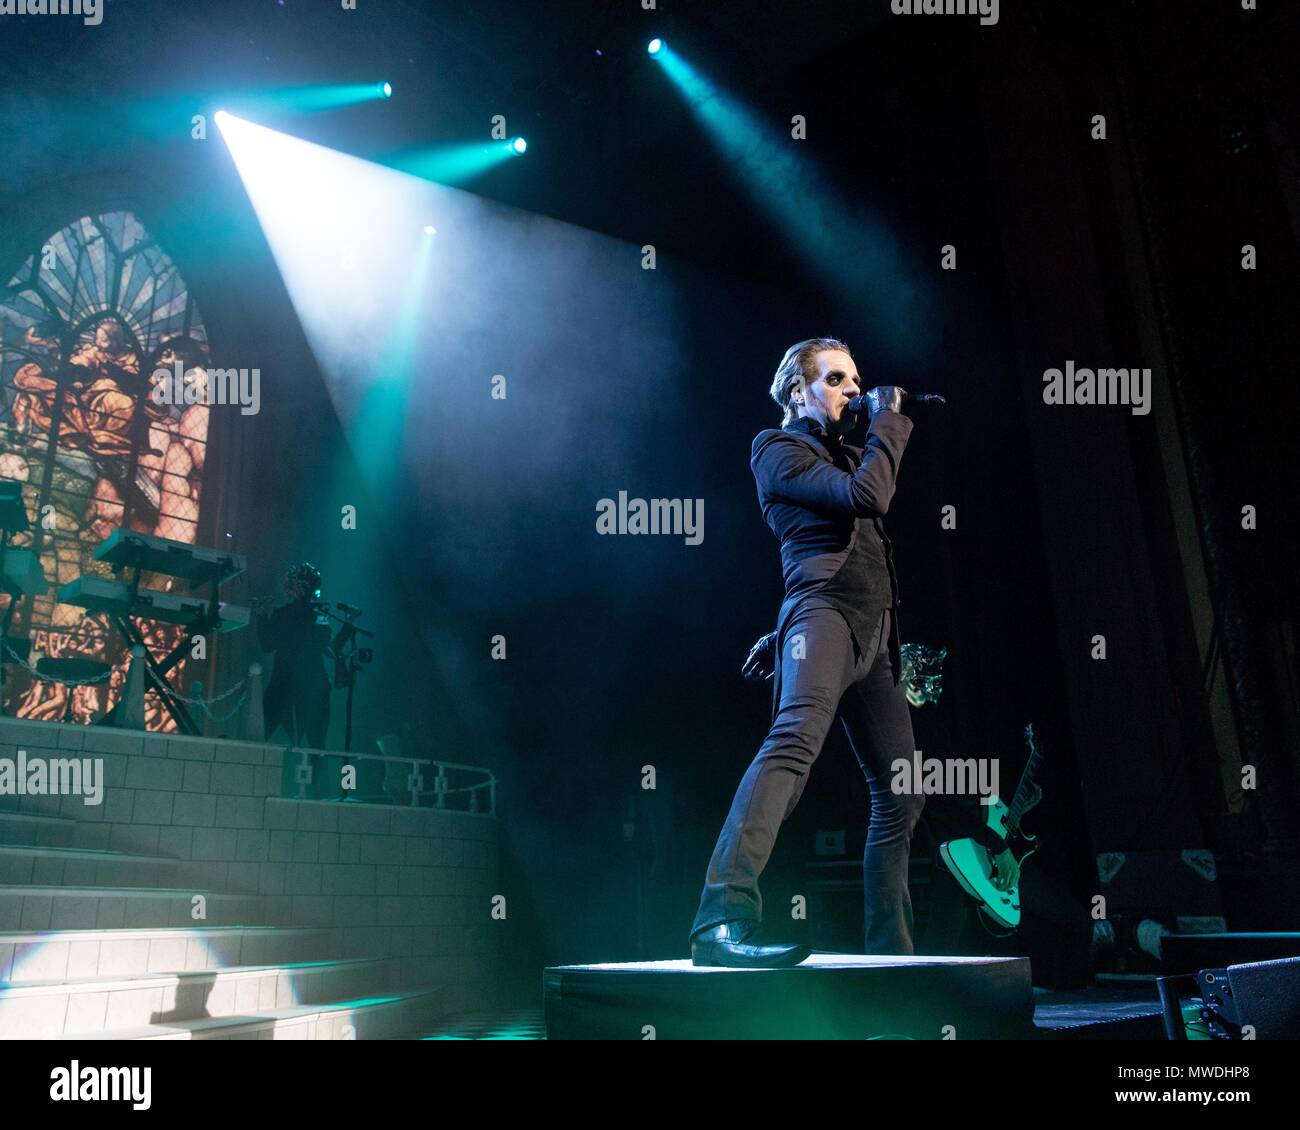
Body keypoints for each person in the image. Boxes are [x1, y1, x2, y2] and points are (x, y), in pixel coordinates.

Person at [689, 338, 924, 968]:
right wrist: (890, 419)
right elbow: (867, 499)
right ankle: (720, 920)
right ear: (799, 389)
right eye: (840, 379)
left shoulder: (847, 453)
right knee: (792, 745)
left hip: (872, 635)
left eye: (858, 381)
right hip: (824, 618)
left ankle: (891, 956)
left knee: (903, 793)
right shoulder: (776, 447)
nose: (854, 390)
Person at [257, 562, 333, 752]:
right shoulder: (317, 615)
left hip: (290, 682)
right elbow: (326, 645)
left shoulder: (285, 615)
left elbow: (267, 645)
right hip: (310, 684)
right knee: (316, 746)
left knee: (261, 736)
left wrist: (261, 616)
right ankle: (316, 779)